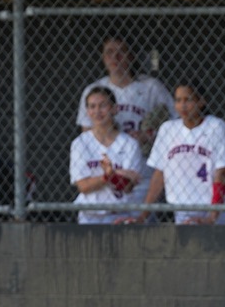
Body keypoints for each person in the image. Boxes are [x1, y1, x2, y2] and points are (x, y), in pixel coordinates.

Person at [75, 36, 176, 213]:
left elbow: (175, 126)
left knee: (140, 220)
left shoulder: (151, 87)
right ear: (103, 57)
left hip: (144, 168)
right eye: (109, 52)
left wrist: (148, 136)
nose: (115, 57)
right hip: (105, 170)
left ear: (131, 56)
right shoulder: (94, 91)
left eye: (121, 52)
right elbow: (87, 135)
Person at [135, 81, 225, 225]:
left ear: (201, 102)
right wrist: (143, 215)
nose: (182, 106)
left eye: (188, 100)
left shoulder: (216, 126)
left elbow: (222, 173)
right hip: (183, 209)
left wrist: (212, 216)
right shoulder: (168, 129)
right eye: (178, 100)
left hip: (214, 207)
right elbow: (159, 174)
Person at [69, 86, 143, 224]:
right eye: (92, 106)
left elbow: (127, 187)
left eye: (103, 105)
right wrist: (110, 176)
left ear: (114, 109)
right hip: (90, 216)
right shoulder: (80, 143)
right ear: (87, 111)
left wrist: (111, 174)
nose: (97, 111)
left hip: (120, 214)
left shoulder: (129, 144)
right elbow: (84, 186)